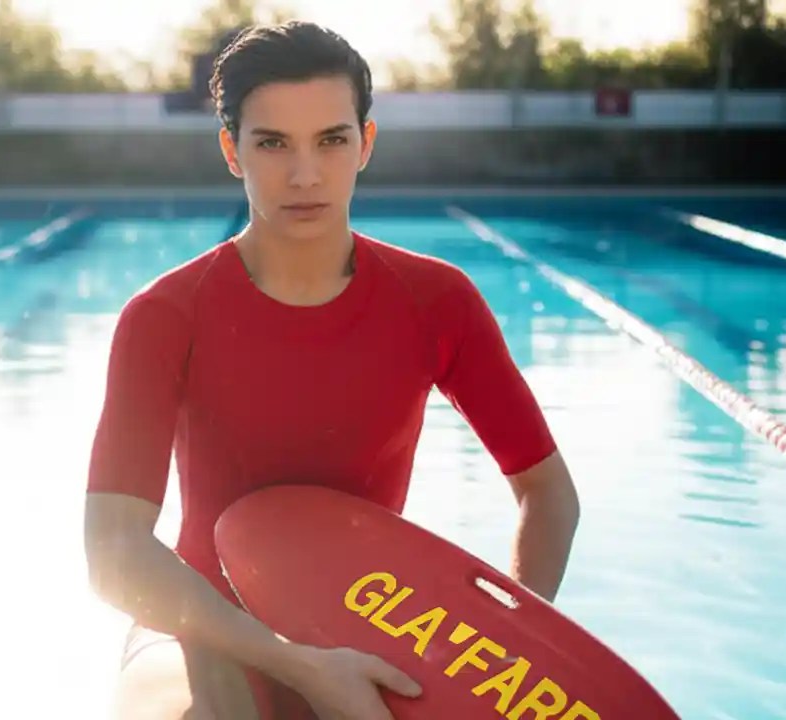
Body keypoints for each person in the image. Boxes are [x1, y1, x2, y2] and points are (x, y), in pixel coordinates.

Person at [84, 20, 581, 720]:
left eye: (331, 141)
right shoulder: (167, 314)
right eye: (273, 144)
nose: (305, 175)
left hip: (370, 631)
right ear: (232, 151)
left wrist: (493, 655)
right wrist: (297, 665)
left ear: (365, 144)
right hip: (198, 624)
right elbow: (113, 550)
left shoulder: (436, 301)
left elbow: (547, 495)